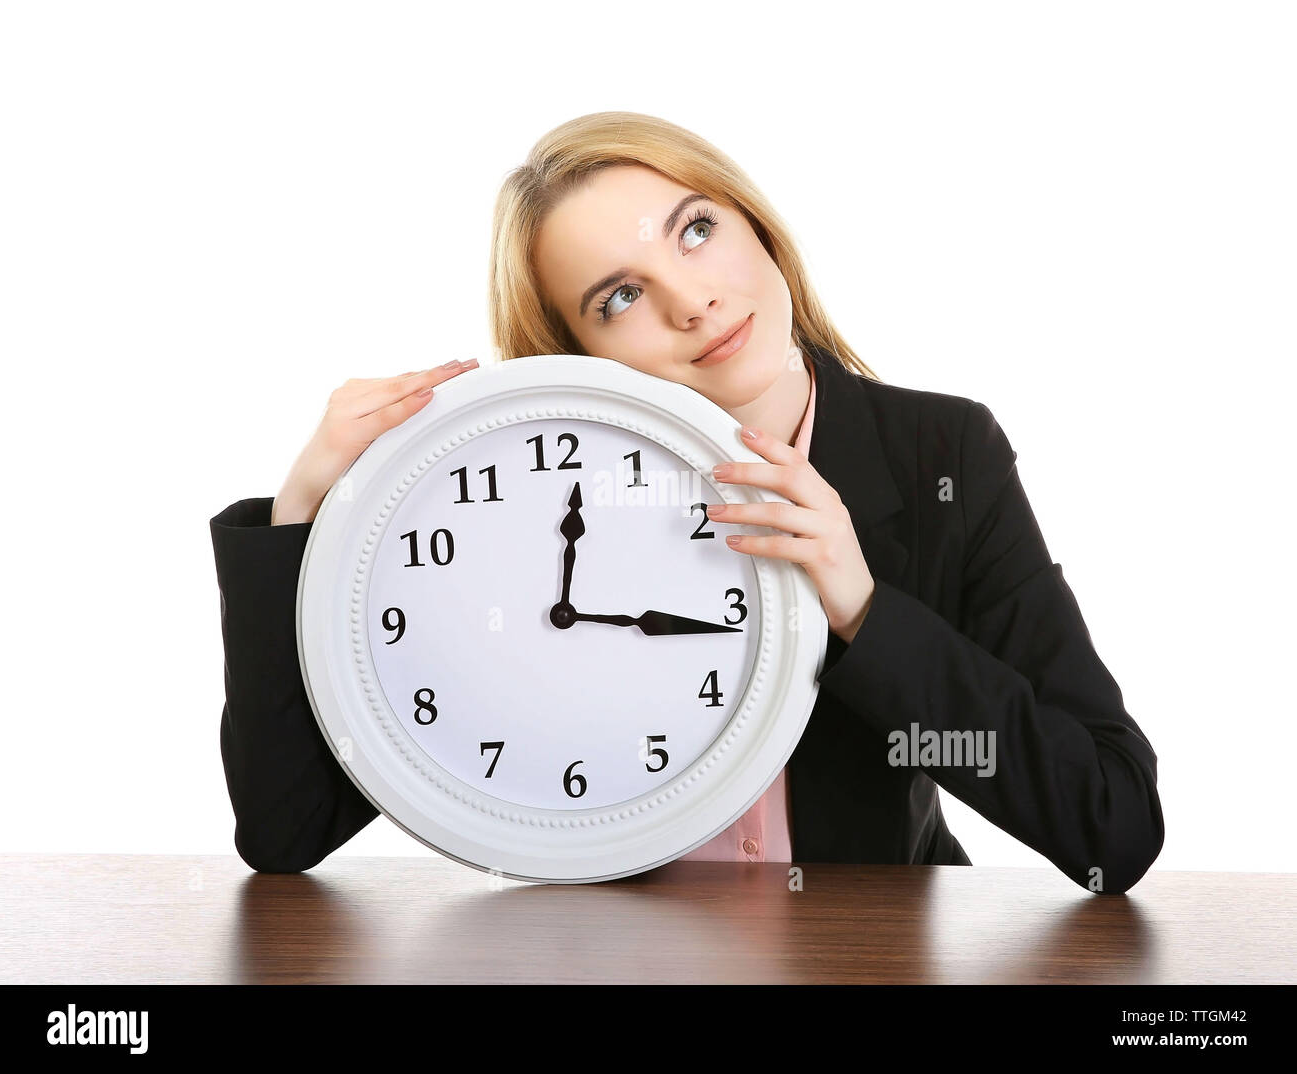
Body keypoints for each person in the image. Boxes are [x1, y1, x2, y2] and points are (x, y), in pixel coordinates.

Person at [210, 111, 1163, 893]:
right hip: (600, 959)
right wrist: (301, 516)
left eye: (696, 230)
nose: (692, 304)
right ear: (576, 355)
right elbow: (284, 834)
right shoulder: (510, 501)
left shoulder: (942, 453)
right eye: (620, 295)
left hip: (865, 958)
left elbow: (1113, 824)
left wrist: (866, 609)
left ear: (756, 225)